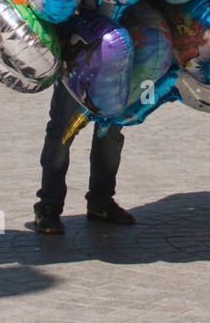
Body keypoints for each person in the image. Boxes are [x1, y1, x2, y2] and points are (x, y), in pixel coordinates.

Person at [34, 84, 135, 235]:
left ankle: (100, 202)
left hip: (116, 69)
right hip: (76, 67)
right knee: (63, 130)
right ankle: (48, 207)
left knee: (109, 132)